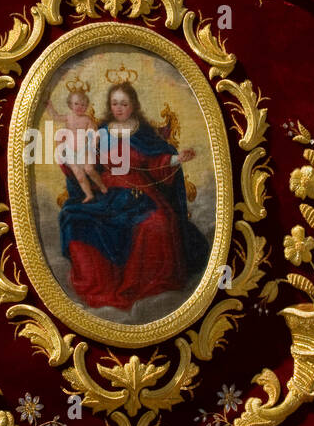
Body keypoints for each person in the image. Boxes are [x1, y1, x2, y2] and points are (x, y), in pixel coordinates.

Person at [59, 81, 209, 310]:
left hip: (141, 190)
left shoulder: (144, 133)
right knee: (74, 219)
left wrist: (178, 158)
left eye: (124, 103)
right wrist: (67, 156)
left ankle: (148, 287)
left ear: (133, 105)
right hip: (106, 191)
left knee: (157, 223)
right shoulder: (101, 131)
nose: (119, 108)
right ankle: (98, 288)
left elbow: (156, 161)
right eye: (114, 103)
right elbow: (86, 160)